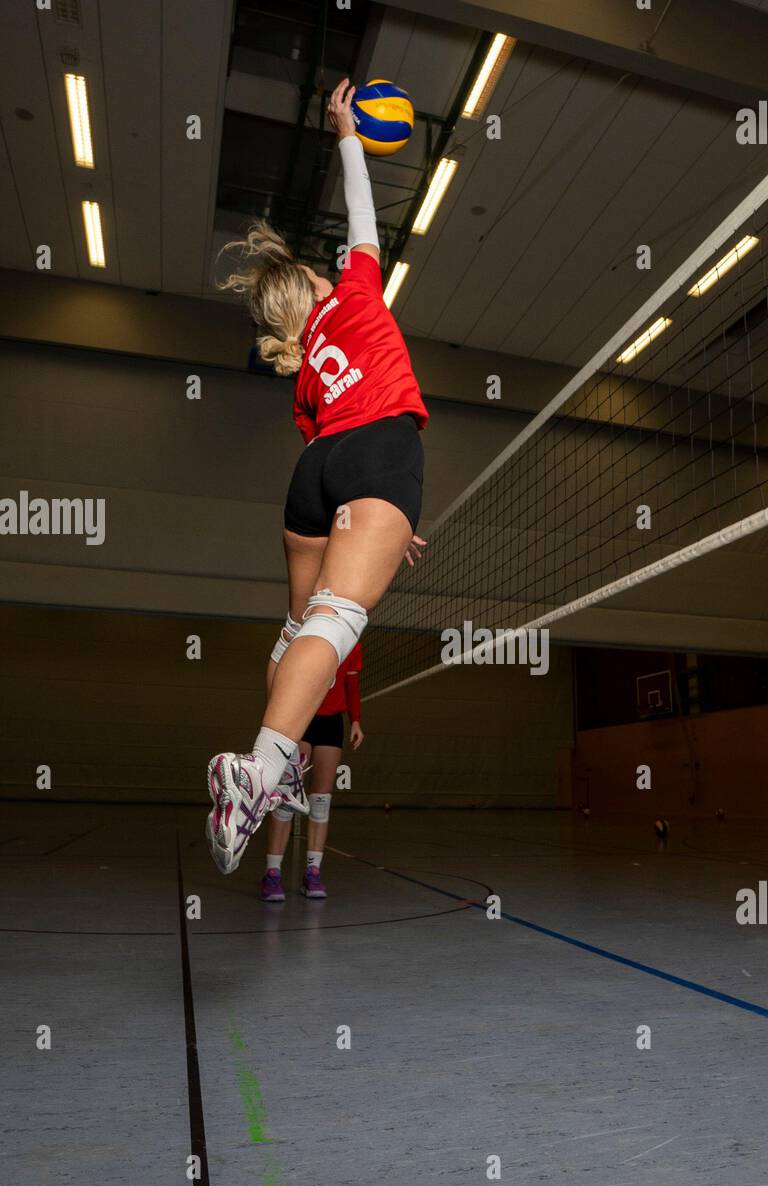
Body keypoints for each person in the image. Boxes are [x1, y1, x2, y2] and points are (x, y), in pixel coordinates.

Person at [206, 78, 426, 875]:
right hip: (379, 452)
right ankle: (260, 773)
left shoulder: (303, 374)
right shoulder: (358, 295)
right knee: (337, 624)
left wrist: (381, 518)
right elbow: (365, 219)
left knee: (300, 627)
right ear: (319, 287)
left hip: (316, 473)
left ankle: (280, 758)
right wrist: (346, 134)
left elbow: (329, 459)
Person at [260, 641, 364, 901]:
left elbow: (351, 684)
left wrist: (356, 721)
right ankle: (272, 874)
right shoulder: (303, 635)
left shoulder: (352, 642)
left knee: (321, 800)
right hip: (301, 717)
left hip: (331, 722)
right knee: (288, 796)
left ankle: (313, 873)